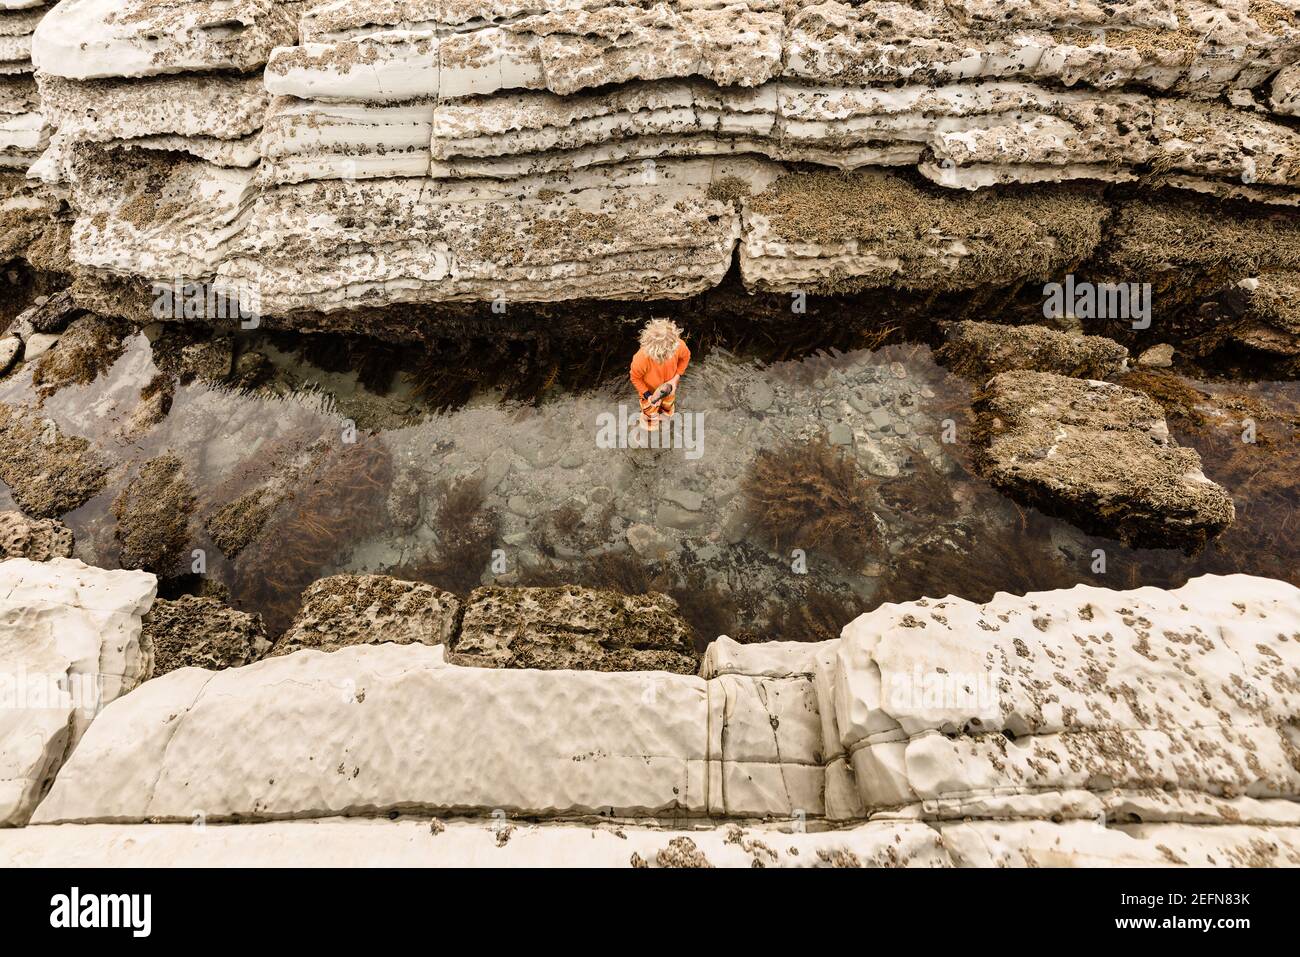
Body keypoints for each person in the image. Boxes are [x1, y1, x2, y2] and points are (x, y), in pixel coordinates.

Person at [629, 318, 690, 432]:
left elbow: (686, 357)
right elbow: (635, 378)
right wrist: (648, 395)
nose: (664, 358)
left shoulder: (678, 345)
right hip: (650, 394)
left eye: (667, 355)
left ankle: (666, 415)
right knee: (650, 421)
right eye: (660, 357)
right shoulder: (641, 358)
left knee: (668, 412)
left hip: (669, 389)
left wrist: (676, 378)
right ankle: (648, 428)